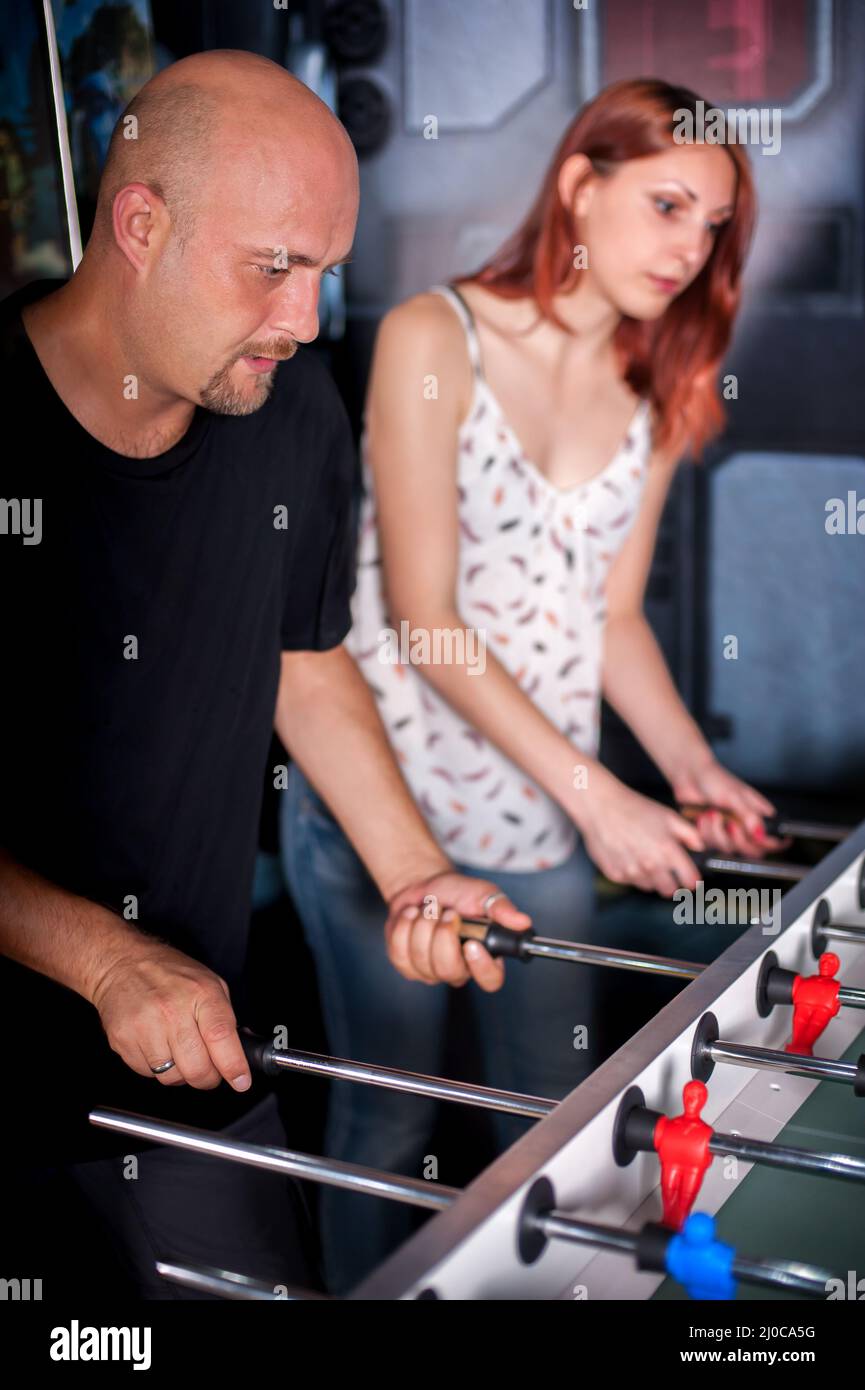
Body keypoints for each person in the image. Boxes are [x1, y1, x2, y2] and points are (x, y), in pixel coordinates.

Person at [0, 49, 532, 1301]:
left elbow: (307, 659)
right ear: (141, 224)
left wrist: (412, 867)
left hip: (198, 1075)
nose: (302, 320)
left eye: (324, 274)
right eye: (272, 267)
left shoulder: (285, 416)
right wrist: (103, 959)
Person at [281, 78, 789, 1293]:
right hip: (379, 816)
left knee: (549, 1129)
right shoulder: (429, 337)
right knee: (390, 1128)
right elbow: (425, 620)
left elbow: (610, 621)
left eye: (713, 224)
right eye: (668, 204)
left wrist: (684, 768)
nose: (691, 246)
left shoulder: (654, 382)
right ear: (578, 184)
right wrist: (604, 796)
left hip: (535, 820)